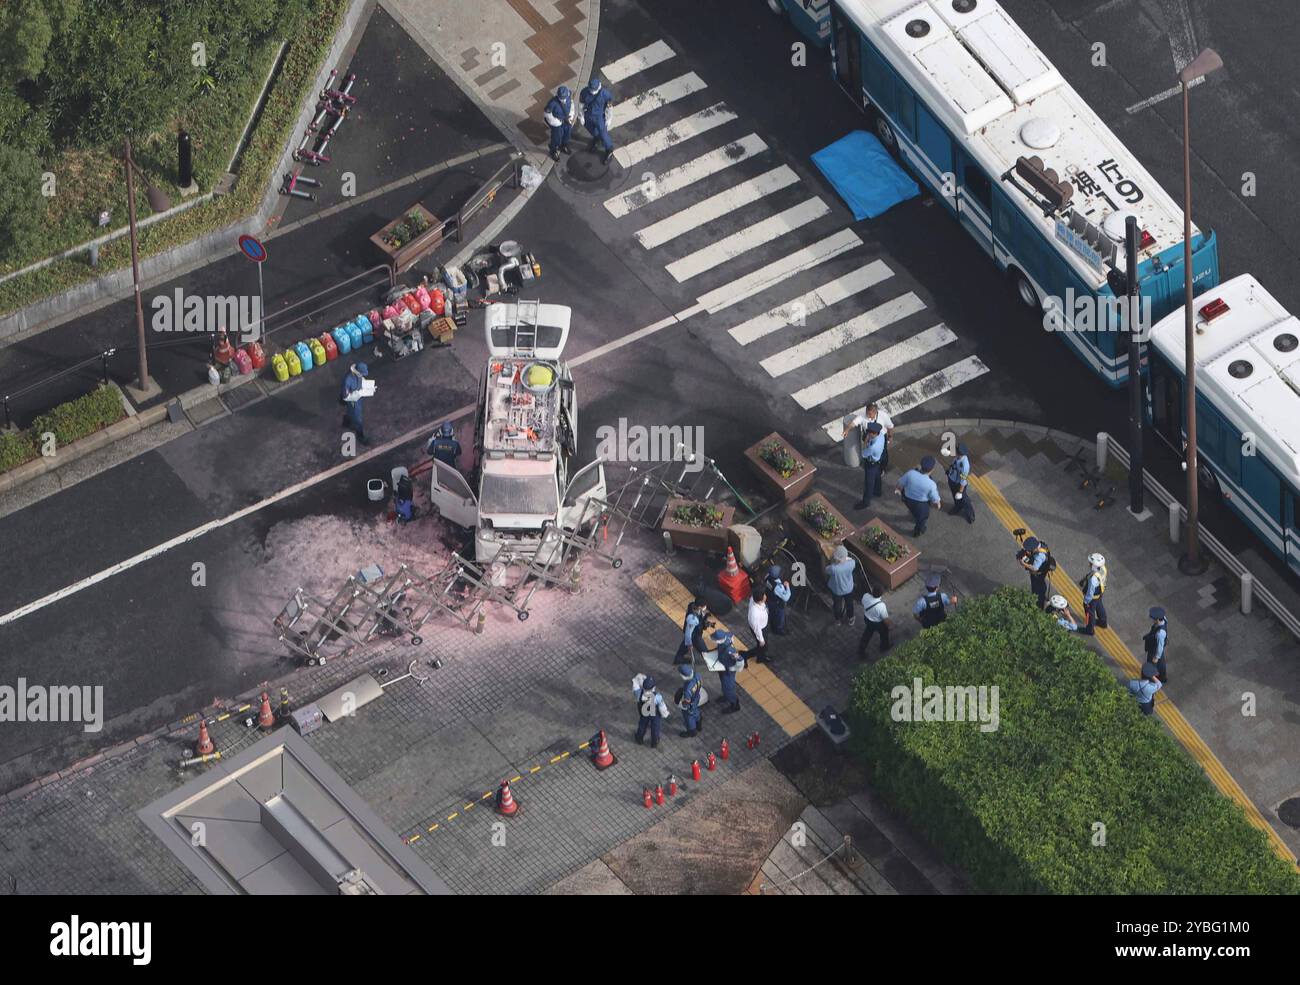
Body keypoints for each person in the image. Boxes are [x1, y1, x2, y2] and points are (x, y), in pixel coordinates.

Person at [895, 456, 941, 537]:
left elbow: (900, 484)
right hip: (921, 505)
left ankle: (914, 516)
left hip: (907, 499)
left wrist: (898, 490)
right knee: (922, 518)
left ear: (921, 465)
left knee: (913, 510)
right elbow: (935, 499)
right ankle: (918, 531)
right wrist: (938, 505)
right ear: (932, 469)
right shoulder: (931, 484)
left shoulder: (911, 473)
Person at [580, 76, 614, 163]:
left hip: (599, 117)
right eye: (591, 89)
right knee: (592, 131)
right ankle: (597, 139)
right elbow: (581, 104)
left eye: (594, 90)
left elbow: (609, 107)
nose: (592, 92)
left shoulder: (605, 94)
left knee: (603, 134)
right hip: (588, 115)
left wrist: (609, 118)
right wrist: (581, 115)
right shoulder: (584, 92)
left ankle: (609, 149)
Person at [851, 402, 894, 472]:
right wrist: (847, 430)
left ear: (875, 412)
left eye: (869, 414)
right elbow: (854, 422)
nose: (867, 415)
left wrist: (890, 436)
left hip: (881, 437)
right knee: (869, 453)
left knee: (883, 454)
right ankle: (869, 463)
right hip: (867, 436)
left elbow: (890, 426)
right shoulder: (863, 416)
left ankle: (881, 468)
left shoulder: (883, 416)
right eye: (867, 413)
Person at [853, 421, 886, 510]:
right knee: (877, 476)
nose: (868, 433)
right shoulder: (881, 435)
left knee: (869, 484)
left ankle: (866, 502)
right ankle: (878, 491)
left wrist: (866, 441)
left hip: (871, 464)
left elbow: (864, 453)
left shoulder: (873, 447)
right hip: (878, 460)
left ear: (875, 433)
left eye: (870, 432)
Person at [633, 674, 670, 747]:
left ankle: (639, 738)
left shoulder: (639, 694)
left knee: (642, 725)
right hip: (654, 714)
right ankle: (654, 742)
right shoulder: (657, 697)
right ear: (653, 688)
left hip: (644, 712)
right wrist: (665, 713)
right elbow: (662, 707)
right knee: (655, 727)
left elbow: (635, 687)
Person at [1017, 536, 1053, 609]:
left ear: (1035, 548)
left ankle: (1038, 605)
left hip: (1038, 574)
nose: (1027, 552)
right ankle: (1041, 597)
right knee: (1040, 585)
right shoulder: (1040, 545)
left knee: (1037, 589)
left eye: (1029, 550)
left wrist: (1023, 563)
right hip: (1043, 571)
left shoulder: (1040, 556)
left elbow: (1035, 569)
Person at [340, 361, 371, 445]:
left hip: (358, 397)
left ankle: (346, 422)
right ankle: (360, 436)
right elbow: (345, 396)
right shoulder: (348, 380)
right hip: (353, 400)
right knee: (358, 418)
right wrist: (356, 394)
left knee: (350, 411)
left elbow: (361, 380)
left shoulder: (358, 375)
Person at [713, 629, 743, 714]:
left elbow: (740, 660)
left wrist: (733, 668)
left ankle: (734, 704)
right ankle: (726, 697)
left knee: (728, 688)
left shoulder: (730, 650)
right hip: (722, 667)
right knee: (723, 683)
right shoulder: (726, 637)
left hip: (728, 671)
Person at [826, 544, 857, 627]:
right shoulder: (851, 564)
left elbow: (826, 570)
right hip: (848, 588)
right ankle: (850, 618)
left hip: (837, 590)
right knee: (849, 604)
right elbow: (851, 560)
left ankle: (838, 620)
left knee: (837, 605)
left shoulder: (833, 568)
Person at [673, 597, 711, 665]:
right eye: (704, 606)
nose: (705, 607)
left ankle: (678, 659)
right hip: (695, 636)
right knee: (704, 650)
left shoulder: (692, 605)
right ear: (699, 607)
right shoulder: (692, 619)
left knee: (684, 647)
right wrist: (689, 644)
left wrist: (705, 620)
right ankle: (710, 661)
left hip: (695, 634)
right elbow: (688, 633)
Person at [858, 582, 891, 657]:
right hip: (877, 623)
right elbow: (885, 619)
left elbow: (863, 603)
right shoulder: (881, 606)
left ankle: (861, 650)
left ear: (872, 591)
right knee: (884, 634)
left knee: (867, 634)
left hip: (867, 619)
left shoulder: (866, 596)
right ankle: (884, 647)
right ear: (881, 594)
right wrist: (891, 626)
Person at [945, 443, 975, 524]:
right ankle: (957, 507)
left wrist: (960, 492)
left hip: (959, 484)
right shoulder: (957, 458)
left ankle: (970, 514)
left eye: (956, 451)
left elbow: (963, 480)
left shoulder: (965, 465)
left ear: (960, 453)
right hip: (952, 479)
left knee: (964, 499)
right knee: (955, 497)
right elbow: (953, 465)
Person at [543, 85, 574, 161]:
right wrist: (557, 122)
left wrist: (571, 115)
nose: (563, 100)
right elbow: (547, 114)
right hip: (557, 122)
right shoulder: (552, 103)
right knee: (557, 137)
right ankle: (553, 150)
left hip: (566, 120)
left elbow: (572, 106)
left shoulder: (569, 96)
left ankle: (564, 145)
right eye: (561, 98)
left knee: (567, 132)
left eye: (564, 98)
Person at [1080, 553, 1108, 635]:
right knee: (1099, 606)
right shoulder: (1103, 568)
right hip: (1100, 593)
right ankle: (1103, 622)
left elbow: (1090, 592)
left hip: (1093, 597)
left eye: (1091, 563)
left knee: (1090, 613)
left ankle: (1090, 630)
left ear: (1094, 566)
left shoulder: (1093, 579)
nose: (1089, 564)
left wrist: (1086, 601)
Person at [675, 663, 705, 738]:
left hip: (690, 703)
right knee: (695, 711)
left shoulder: (687, 690)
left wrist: (682, 705)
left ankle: (692, 731)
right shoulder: (697, 675)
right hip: (696, 698)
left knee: (689, 717)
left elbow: (687, 702)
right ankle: (699, 724)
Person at [1144, 607, 1169, 683]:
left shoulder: (1160, 633)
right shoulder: (1164, 619)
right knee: (1161, 663)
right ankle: (1162, 677)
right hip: (1154, 646)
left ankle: (1155, 677)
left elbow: (1160, 646)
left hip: (1154, 649)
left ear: (1158, 619)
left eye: (1154, 619)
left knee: (1154, 663)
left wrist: (1156, 657)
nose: (1152, 620)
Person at [765, 565, 791, 635]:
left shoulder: (767, 577)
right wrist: (787, 586)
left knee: (772, 615)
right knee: (780, 618)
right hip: (777, 604)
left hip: (769, 600)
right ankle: (779, 630)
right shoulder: (778, 586)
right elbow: (786, 597)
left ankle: (773, 626)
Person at [748, 585, 771, 663]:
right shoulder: (754, 613)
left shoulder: (754, 599)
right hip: (760, 628)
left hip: (763, 624)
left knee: (763, 645)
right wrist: (761, 640)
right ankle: (760, 658)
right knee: (762, 645)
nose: (765, 596)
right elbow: (756, 628)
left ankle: (760, 654)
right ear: (760, 601)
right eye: (764, 595)